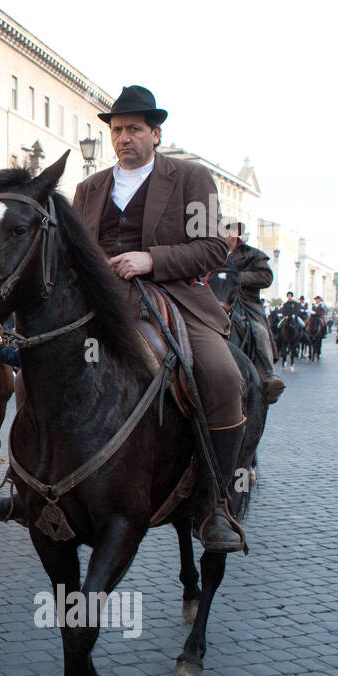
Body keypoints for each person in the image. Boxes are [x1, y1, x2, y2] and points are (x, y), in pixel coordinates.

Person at [72, 84, 244, 552]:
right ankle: (23, 484)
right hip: (101, 302)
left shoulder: (191, 179)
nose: (123, 138)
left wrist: (151, 259)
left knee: (224, 377)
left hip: (174, 298)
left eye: (133, 129)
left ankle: (215, 506)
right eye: (116, 130)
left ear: (155, 133)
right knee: (39, 365)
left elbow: (212, 246)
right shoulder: (88, 190)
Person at [223, 221, 284, 403]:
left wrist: (238, 277)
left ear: (233, 234)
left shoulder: (253, 254)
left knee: (259, 331)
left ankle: (267, 376)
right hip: (216, 299)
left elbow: (266, 277)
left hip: (245, 302)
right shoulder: (213, 253)